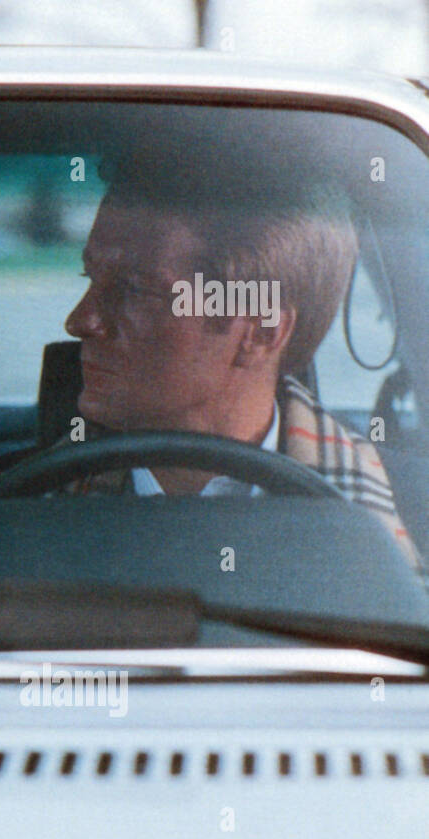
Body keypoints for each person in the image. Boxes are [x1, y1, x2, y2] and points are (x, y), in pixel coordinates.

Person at [59, 148, 424, 574]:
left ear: (262, 330)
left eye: (137, 290)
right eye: (90, 278)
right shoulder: (16, 517)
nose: (80, 320)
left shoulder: (400, 531)